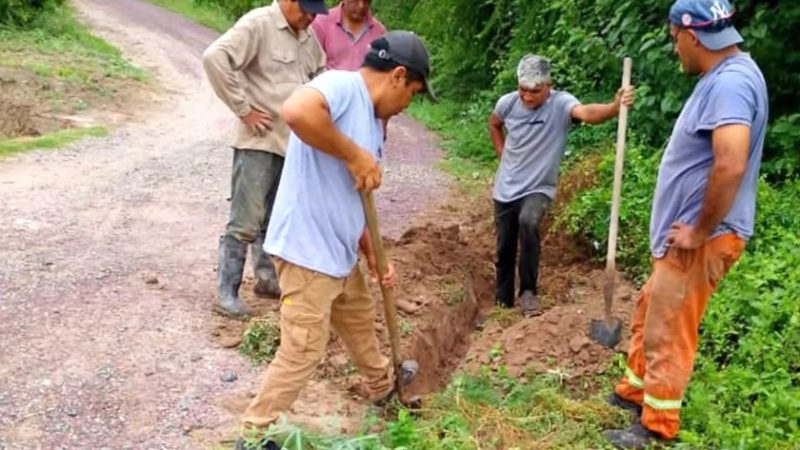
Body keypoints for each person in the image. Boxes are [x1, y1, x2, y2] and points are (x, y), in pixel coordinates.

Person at [235, 31, 434, 450]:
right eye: (412, 94)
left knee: (360, 325)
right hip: (308, 252)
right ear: (398, 76)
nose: (407, 106)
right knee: (303, 349)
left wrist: (371, 252)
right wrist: (353, 154)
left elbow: (355, 195)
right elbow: (296, 111)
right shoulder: (343, 86)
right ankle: (254, 434)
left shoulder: (373, 121)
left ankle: (383, 389)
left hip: (339, 252)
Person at [603, 0, 768, 447]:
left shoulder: (730, 84)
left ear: (692, 35)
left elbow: (730, 164)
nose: (675, 49)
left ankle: (657, 426)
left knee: (668, 327)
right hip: (691, 236)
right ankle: (635, 390)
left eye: (675, 39)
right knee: (651, 308)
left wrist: (697, 230)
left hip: (703, 238)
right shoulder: (728, 76)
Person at [202, 0, 328, 317]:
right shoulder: (259, 23)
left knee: (275, 219)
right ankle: (226, 292)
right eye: (307, 10)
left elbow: (321, 75)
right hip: (259, 141)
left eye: (316, 12)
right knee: (245, 220)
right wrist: (244, 110)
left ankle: (267, 279)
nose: (311, 17)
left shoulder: (307, 36)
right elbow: (215, 58)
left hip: (293, 144)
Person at [488, 54, 635, 317]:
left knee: (529, 221)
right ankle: (502, 303)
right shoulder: (508, 103)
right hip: (506, 187)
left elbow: (587, 113)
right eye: (522, 90)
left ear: (548, 86)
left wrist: (614, 107)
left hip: (538, 187)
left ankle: (528, 293)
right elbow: (494, 124)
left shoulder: (560, 104)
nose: (527, 97)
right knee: (504, 246)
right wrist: (502, 155)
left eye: (535, 91)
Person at [311, 0, 387, 71]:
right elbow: (312, 64)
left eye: (366, 1)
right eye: (355, 1)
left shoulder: (379, 31)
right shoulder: (321, 23)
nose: (361, 6)